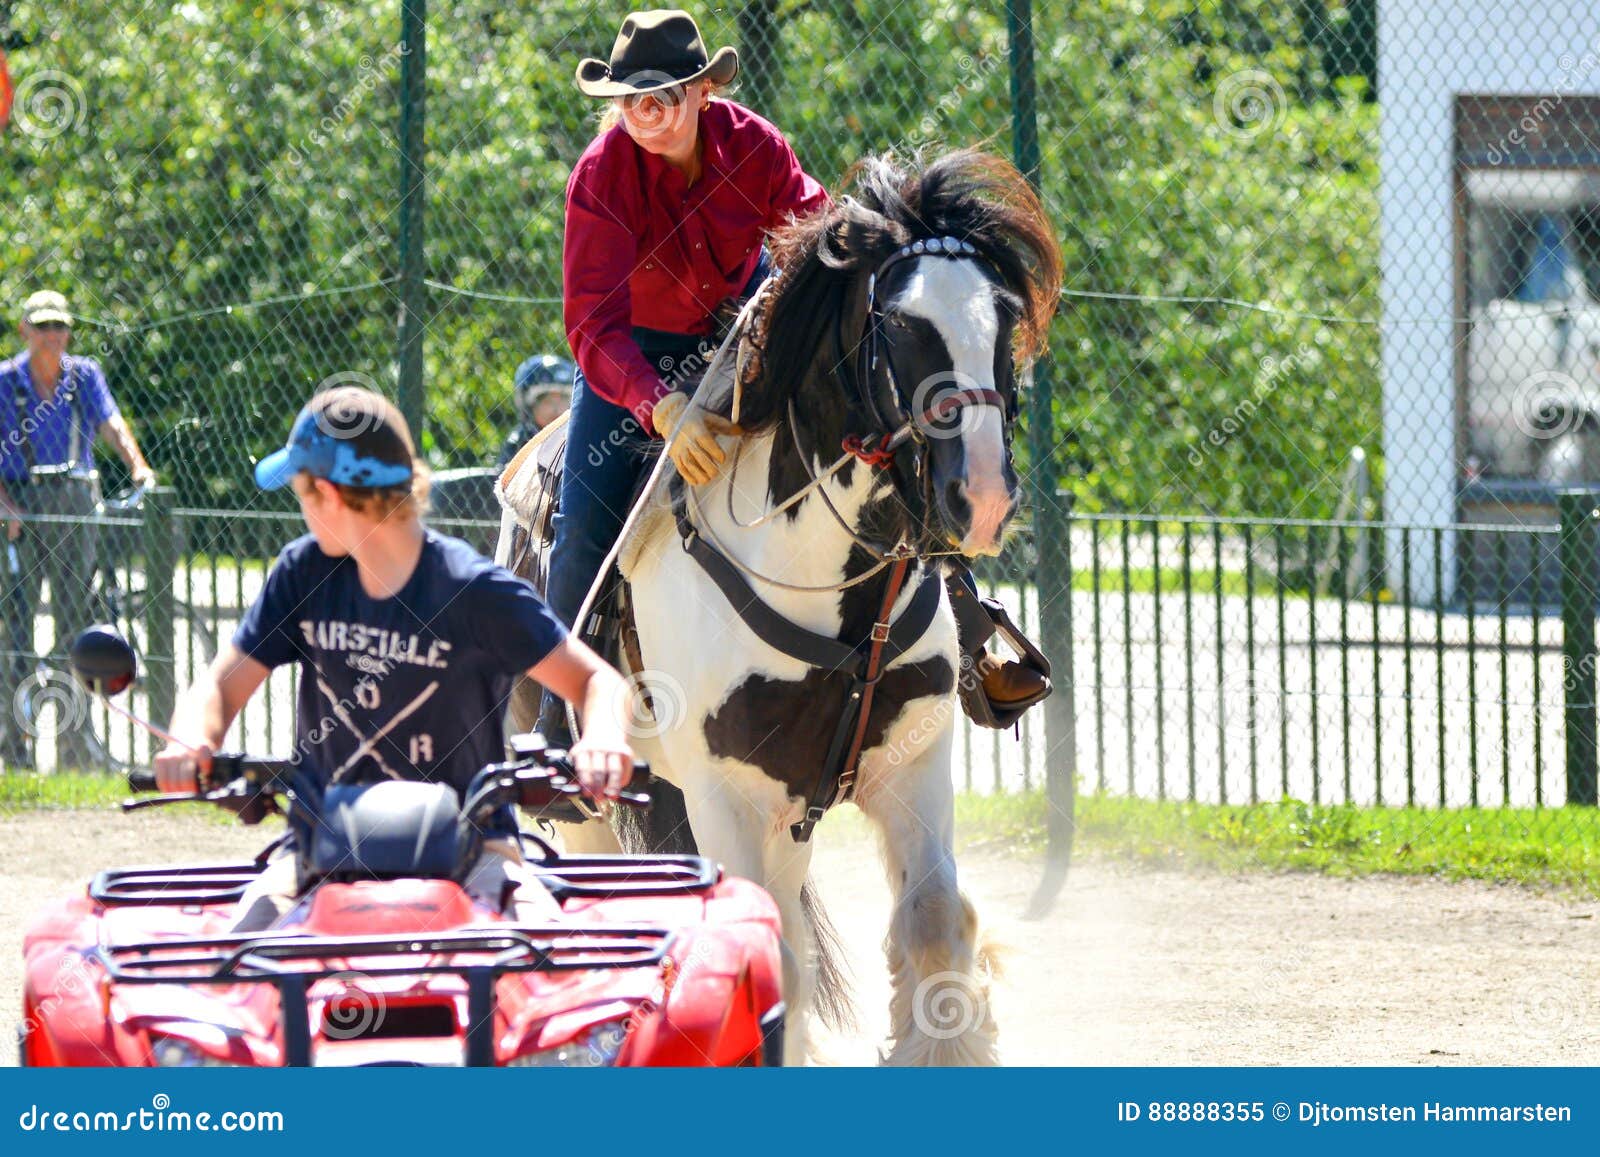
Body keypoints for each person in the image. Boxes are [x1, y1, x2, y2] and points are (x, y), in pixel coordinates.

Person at [152, 386, 636, 930]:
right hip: (318, 852)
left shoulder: (470, 589)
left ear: (330, 493)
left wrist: (602, 739)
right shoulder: (303, 574)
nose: (300, 507)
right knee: (247, 967)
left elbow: (598, 683)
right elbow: (223, 683)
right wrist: (191, 738)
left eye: (300, 491)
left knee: (542, 962)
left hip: (473, 855)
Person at [538, 8, 828, 742]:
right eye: (631, 97)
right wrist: (662, 408)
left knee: (861, 422)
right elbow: (591, 329)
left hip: (741, 336)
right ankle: (557, 725)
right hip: (632, 357)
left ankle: (967, 627)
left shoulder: (756, 146)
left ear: (703, 92)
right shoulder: (599, 178)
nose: (645, 111)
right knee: (582, 531)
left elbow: (817, 235)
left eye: (664, 92)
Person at [0, 290, 156, 768]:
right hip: (19, 505)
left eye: (60, 326)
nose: (52, 335)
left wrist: (138, 466)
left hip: (74, 500)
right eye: (43, 326)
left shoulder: (83, 374)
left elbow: (111, 423)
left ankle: (75, 748)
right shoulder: (6, 381)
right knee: (16, 627)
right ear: (24, 330)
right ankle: (16, 746)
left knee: (76, 627)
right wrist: (5, 507)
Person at [496, 354, 574, 469]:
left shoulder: (577, 438)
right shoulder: (518, 443)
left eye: (562, 398)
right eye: (547, 401)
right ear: (528, 406)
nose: (556, 408)